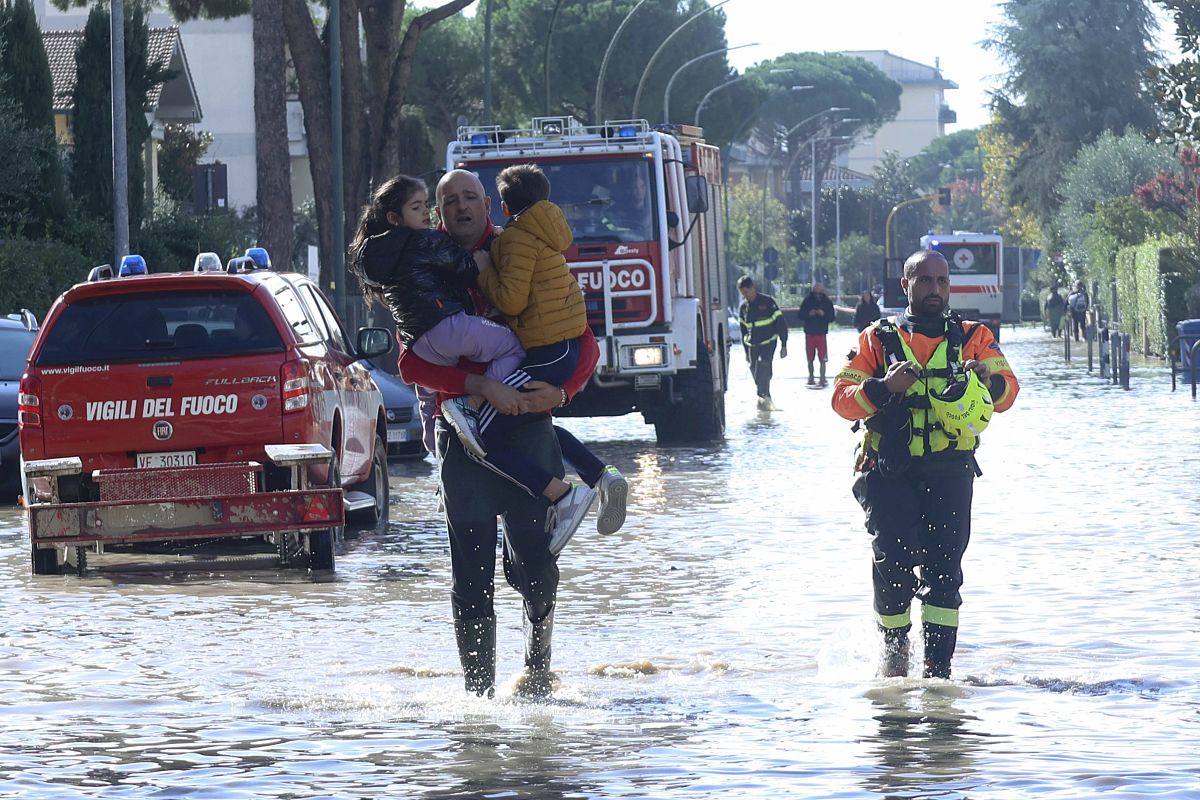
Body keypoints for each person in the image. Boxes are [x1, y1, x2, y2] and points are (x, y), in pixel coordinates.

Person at [394, 169, 609, 699]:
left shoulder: (524, 246)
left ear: (488, 204)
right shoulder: (423, 262)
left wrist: (561, 393)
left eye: (470, 197)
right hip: (463, 439)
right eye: (449, 200)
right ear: (439, 212)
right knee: (470, 575)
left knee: (535, 564)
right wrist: (477, 384)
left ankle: (538, 664)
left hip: (529, 433)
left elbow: (580, 337)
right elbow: (410, 364)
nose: (461, 207)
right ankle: (479, 699)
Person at [831, 249, 1020, 680]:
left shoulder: (974, 337)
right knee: (893, 561)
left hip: (950, 469)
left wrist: (988, 383)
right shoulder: (876, 340)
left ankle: (938, 674)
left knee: (944, 573)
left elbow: (1009, 392)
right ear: (906, 286)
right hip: (887, 470)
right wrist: (881, 387)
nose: (934, 289)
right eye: (924, 280)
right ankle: (895, 660)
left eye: (941, 281)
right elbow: (841, 398)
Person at [737, 275, 788, 409]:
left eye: (746, 292)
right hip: (752, 345)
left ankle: (763, 396)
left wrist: (784, 345)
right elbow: (743, 331)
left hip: (768, 342)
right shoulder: (743, 308)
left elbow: (781, 324)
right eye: (742, 294)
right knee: (754, 369)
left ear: (752, 288)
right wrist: (745, 352)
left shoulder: (767, 302)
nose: (745, 296)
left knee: (764, 367)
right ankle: (765, 396)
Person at [798, 282, 836, 387]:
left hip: (821, 333)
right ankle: (811, 376)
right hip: (810, 333)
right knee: (810, 357)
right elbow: (800, 315)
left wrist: (823, 314)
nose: (818, 294)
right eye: (816, 292)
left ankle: (822, 377)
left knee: (823, 357)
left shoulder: (827, 302)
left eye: (820, 292)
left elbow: (832, 317)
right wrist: (808, 314)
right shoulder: (807, 301)